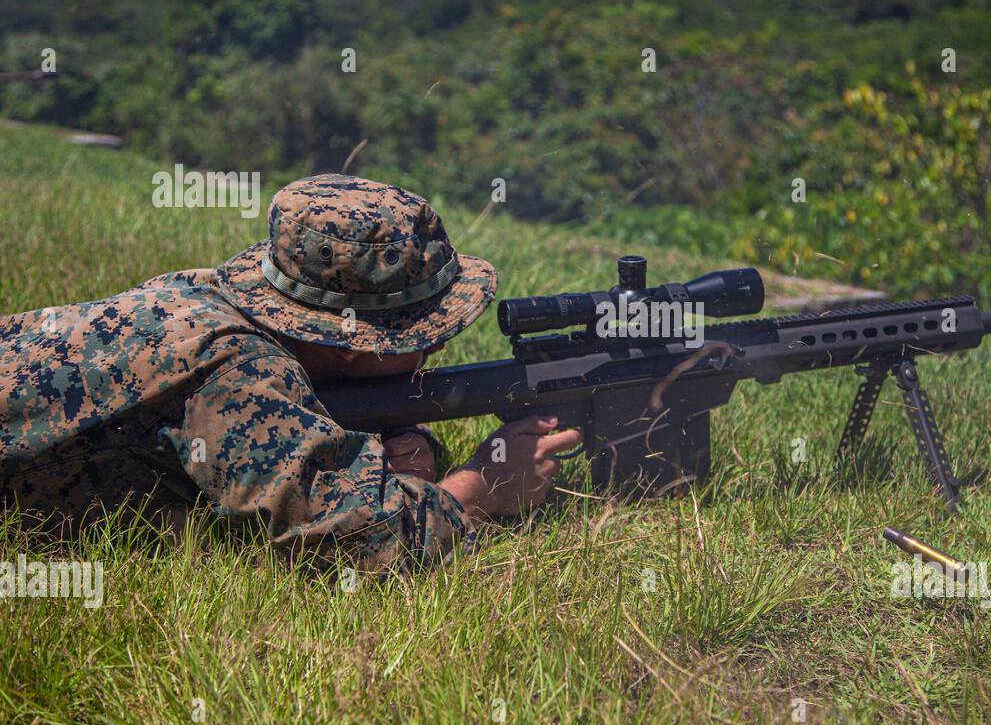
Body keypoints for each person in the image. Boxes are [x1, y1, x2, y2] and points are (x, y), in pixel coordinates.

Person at [0, 174, 579, 573]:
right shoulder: (236, 371)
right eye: (424, 335)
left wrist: (391, 444)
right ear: (356, 345)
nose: (438, 347)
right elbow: (359, 547)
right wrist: (483, 488)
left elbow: (297, 420)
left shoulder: (202, 297)